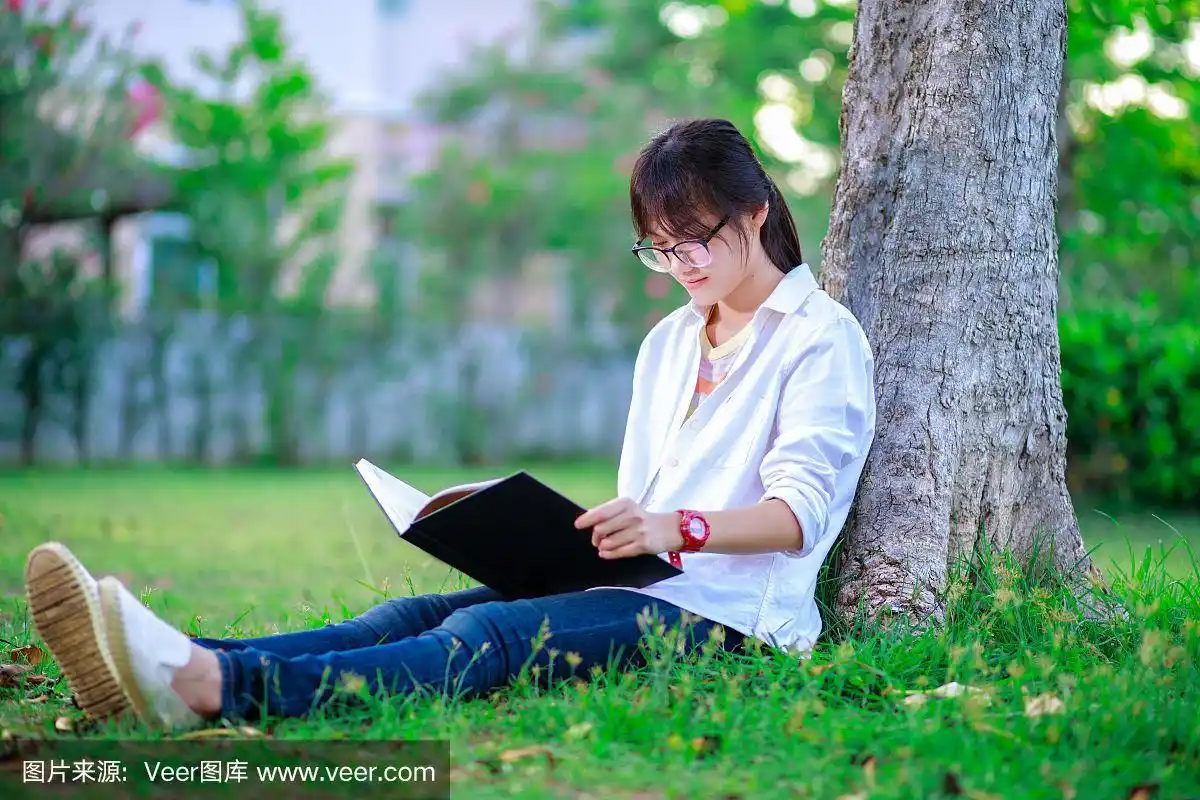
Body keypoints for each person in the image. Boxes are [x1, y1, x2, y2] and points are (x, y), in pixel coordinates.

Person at [22, 118, 876, 731]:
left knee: (488, 633)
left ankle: (212, 687)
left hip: (734, 622)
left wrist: (671, 525)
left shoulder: (819, 341)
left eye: (693, 241)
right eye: (658, 247)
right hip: (639, 585)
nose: (678, 266)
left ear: (756, 211)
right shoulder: (670, 340)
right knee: (408, 616)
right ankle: (165, 655)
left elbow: (799, 518)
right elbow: (646, 503)